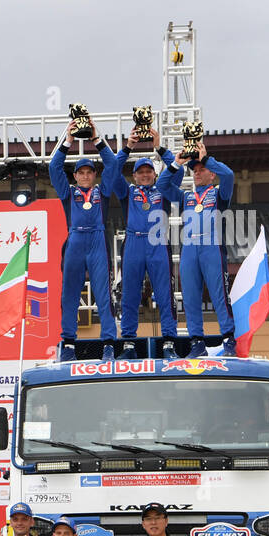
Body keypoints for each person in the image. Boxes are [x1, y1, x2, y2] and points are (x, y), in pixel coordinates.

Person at [158, 136, 237, 357]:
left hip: (211, 247)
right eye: (195, 170)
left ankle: (229, 340)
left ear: (212, 174)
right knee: (190, 296)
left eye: (202, 169)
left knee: (219, 294)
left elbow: (229, 175)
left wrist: (207, 159)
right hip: (190, 249)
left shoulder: (220, 193)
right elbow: (162, 185)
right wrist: (177, 163)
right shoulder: (185, 197)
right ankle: (197, 343)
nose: (197, 173)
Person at [48, 119, 119, 362]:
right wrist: (67, 139)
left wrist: (96, 138)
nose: (86, 176)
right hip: (75, 241)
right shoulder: (68, 192)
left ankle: (109, 343)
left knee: (103, 293)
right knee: (70, 294)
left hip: (98, 240)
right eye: (81, 172)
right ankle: (68, 343)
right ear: (76, 175)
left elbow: (113, 165)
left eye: (89, 172)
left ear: (94, 175)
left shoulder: (103, 191)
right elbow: (53, 168)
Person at [111, 128, 179, 359]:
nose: (145, 175)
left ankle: (169, 342)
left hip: (158, 243)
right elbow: (112, 172)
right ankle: (128, 343)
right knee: (129, 293)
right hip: (133, 244)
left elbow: (176, 173)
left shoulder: (164, 189)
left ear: (155, 173)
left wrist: (159, 147)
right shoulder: (127, 192)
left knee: (165, 294)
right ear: (134, 176)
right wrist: (128, 147)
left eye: (149, 171)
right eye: (141, 172)